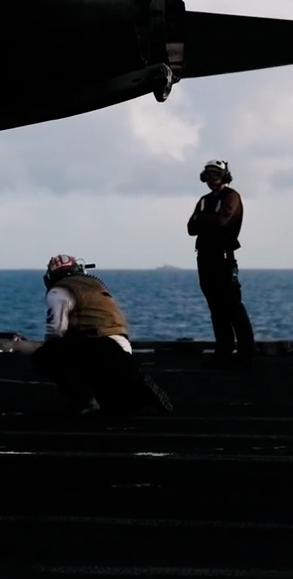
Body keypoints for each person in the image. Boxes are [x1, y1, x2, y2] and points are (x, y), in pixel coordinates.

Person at [31, 254, 173, 417]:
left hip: (96, 347)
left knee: (44, 356)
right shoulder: (97, 286)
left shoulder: (59, 291)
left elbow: (56, 331)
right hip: (122, 347)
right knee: (116, 407)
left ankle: (84, 400)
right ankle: (137, 389)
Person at [188, 159, 255, 367]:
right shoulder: (204, 200)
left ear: (224, 176)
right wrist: (209, 219)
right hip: (205, 257)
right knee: (216, 307)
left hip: (223, 258)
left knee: (233, 305)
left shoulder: (231, 196)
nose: (211, 179)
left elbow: (222, 221)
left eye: (215, 174)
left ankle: (246, 352)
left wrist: (203, 219)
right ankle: (223, 351)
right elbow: (191, 228)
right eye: (208, 175)